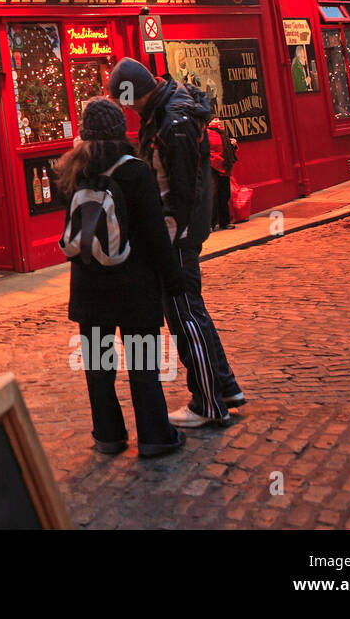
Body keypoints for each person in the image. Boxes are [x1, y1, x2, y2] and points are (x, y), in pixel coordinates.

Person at [108, 58, 244, 428]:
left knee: (184, 315)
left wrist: (166, 236)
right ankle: (225, 385)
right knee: (192, 310)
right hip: (181, 231)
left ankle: (208, 402)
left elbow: (179, 191)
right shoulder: (167, 111)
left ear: (134, 94)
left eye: (125, 101)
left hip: (178, 236)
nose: (127, 110)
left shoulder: (173, 123)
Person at [56, 99, 186, 459]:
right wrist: (173, 280)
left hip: (89, 286)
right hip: (134, 286)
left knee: (98, 367)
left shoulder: (75, 171)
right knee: (143, 364)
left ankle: (108, 436)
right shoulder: (134, 171)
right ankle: (155, 436)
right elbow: (156, 233)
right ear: (118, 130)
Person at [206, 117, 239, 231]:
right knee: (213, 195)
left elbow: (226, 149)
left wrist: (233, 144)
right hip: (212, 167)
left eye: (218, 119)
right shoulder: (206, 133)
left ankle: (225, 222)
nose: (217, 121)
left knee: (225, 195)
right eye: (214, 119)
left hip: (224, 167)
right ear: (209, 122)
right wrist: (215, 159)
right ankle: (210, 224)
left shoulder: (223, 133)